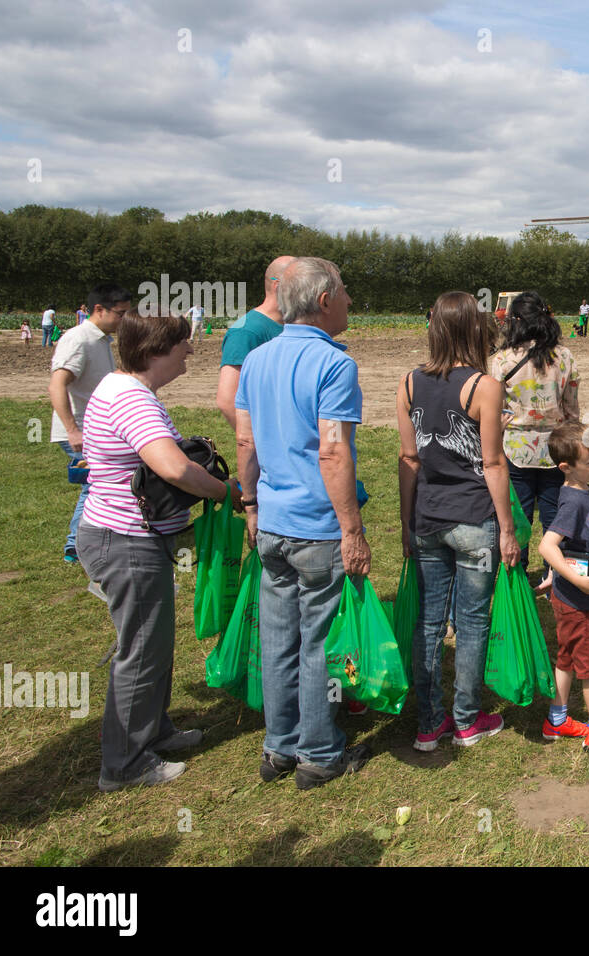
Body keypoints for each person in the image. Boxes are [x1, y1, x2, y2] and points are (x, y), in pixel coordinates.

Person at [78, 311, 240, 792]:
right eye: (182, 347)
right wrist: (223, 491)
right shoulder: (131, 397)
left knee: (154, 641)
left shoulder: (119, 387)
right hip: (126, 542)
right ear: (154, 353)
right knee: (142, 650)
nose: (190, 353)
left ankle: (153, 729)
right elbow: (172, 468)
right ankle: (124, 764)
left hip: (128, 537)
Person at [234, 256, 372, 790]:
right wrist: (352, 530)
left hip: (271, 522)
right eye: (344, 292)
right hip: (316, 528)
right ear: (322, 300)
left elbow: (246, 442)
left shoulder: (258, 360)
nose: (350, 302)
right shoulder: (335, 365)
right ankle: (318, 753)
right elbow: (333, 454)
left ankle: (279, 745)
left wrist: (250, 504)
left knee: (278, 638)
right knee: (318, 641)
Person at [397, 291, 520, 752]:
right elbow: (492, 464)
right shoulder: (485, 386)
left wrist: (407, 522)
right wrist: (507, 529)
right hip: (474, 520)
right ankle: (468, 720)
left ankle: (429, 723)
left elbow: (409, 459)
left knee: (428, 623)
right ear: (475, 330)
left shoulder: (408, 383)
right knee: (471, 622)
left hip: (428, 518)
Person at [537, 423, 589, 752]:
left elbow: (567, 547)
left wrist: (556, 576)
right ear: (566, 468)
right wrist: (577, 580)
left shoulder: (578, 489)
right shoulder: (572, 503)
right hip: (581, 602)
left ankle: (556, 721)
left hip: (569, 597)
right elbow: (547, 546)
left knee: (567, 657)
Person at [488, 291, 580, 573]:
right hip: (556, 447)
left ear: (515, 321)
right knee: (554, 512)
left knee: (520, 513)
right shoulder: (564, 357)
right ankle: (557, 571)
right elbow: (572, 409)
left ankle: (517, 570)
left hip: (515, 449)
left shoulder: (502, 360)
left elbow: (496, 409)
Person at [49, 284, 130, 563]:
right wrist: (73, 430)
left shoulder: (100, 340)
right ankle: (76, 546)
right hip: (81, 430)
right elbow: (57, 384)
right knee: (94, 486)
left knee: (95, 484)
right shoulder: (78, 339)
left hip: (94, 429)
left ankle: (79, 544)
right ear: (99, 310)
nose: (123, 320)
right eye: (120, 314)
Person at [216, 255, 294, 429]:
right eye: (301, 284)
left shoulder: (293, 326)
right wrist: (259, 441)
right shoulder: (246, 331)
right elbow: (227, 400)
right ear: (278, 286)